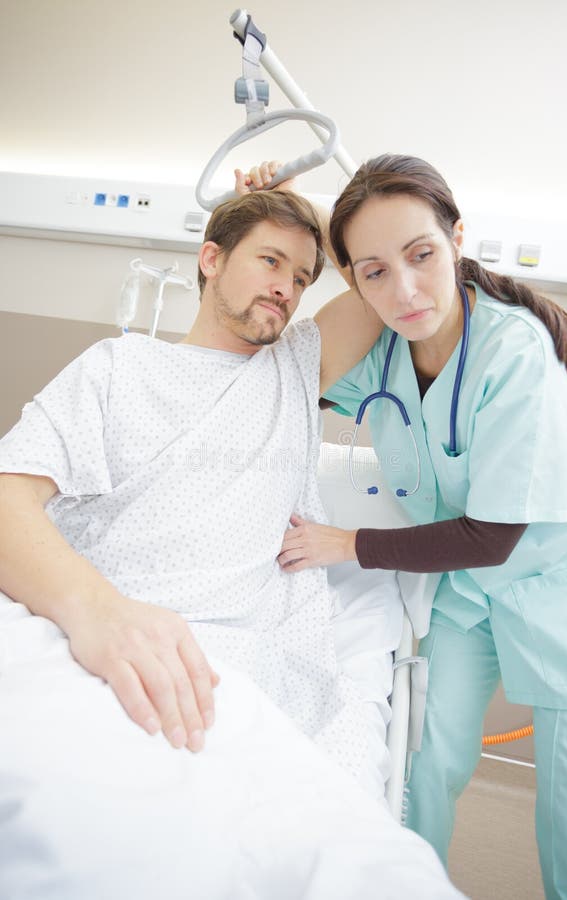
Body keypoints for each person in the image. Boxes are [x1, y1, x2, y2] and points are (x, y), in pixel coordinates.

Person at [0, 185, 464, 898]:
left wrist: (297, 204)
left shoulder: (295, 368)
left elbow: (375, 273)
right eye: (269, 260)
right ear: (210, 258)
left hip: (230, 657)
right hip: (86, 627)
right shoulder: (116, 370)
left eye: (303, 277)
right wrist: (98, 613)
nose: (286, 288)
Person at [278, 154, 567, 900]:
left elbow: (493, 535)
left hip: (565, 585)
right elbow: (290, 384)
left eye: (422, 256)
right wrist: (287, 231)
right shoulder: (383, 348)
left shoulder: (518, 353)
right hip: (467, 590)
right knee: (422, 764)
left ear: (457, 238)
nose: (406, 290)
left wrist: (344, 544)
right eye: (375, 272)